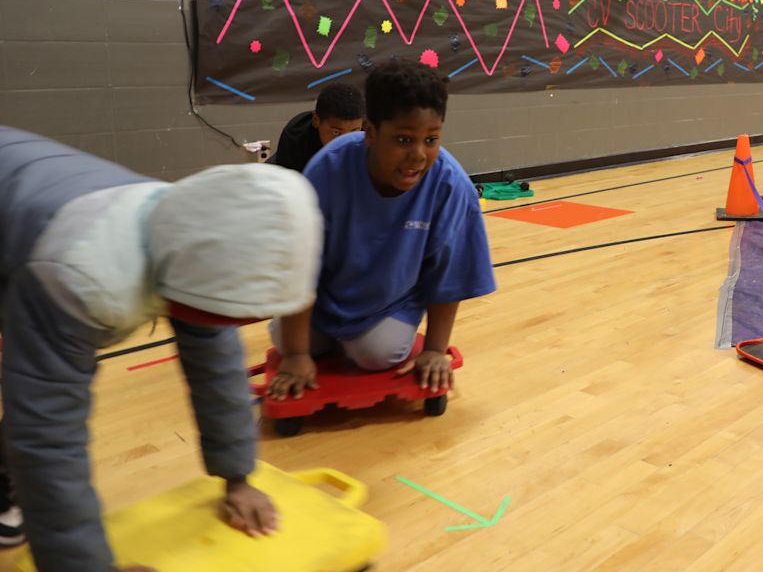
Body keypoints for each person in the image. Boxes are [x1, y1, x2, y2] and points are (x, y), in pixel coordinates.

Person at [0, 127, 323, 572]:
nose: (234, 327)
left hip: (26, 209)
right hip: (36, 233)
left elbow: (215, 362)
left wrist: (237, 477)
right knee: (36, 399)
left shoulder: (190, 231)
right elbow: (48, 436)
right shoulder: (79, 274)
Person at [268, 60, 495, 399]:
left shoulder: (450, 185)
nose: (418, 155)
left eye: (431, 139)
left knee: (375, 355)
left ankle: (360, 336)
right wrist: (297, 354)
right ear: (370, 133)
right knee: (286, 340)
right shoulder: (327, 170)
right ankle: (323, 340)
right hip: (329, 293)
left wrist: (434, 349)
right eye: (404, 139)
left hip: (390, 301)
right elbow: (301, 266)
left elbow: (449, 272)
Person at [272, 82, 365, 172]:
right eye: (336, 133)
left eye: (354, 132)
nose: (345, 143)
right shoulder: (295, 139)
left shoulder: (370, 137)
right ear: (316, 120)